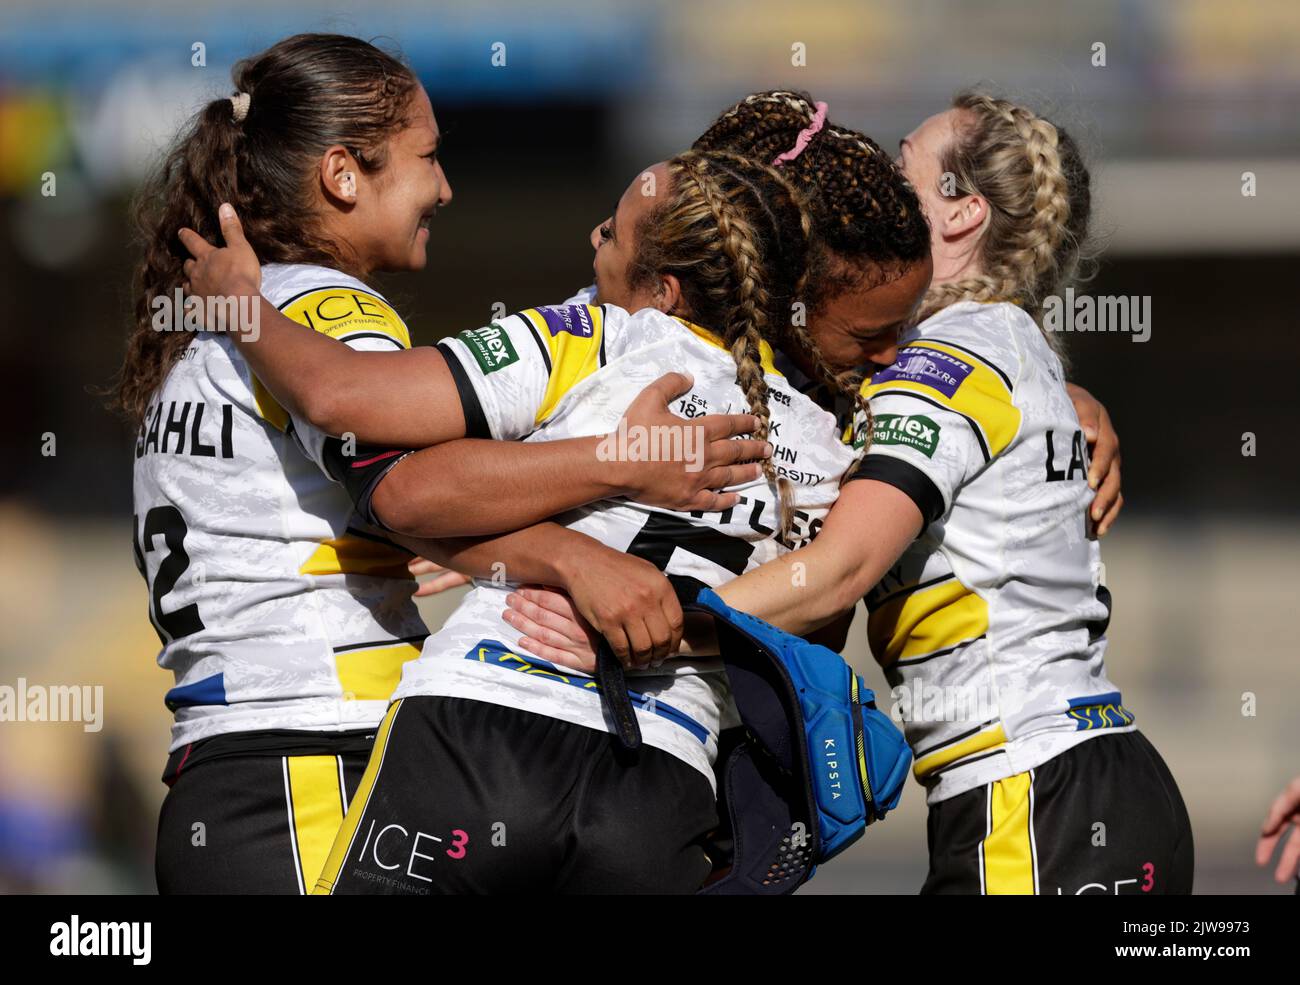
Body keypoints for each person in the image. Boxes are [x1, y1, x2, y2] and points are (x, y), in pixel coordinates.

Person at [503, 91, 1191, 895]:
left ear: (962, 214)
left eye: (903, 172)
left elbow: (835, 572)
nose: (873, 187)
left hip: (1033, 789)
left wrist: (638, 626)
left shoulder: (951, 357)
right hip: (1068, 781)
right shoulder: (989, 347)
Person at [123, 32, 764, 894]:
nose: (445, 188)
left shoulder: (211, 333)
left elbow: (373, 505)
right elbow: (406, 488)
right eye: (427, 158)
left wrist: (475, 545)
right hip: (319, 760)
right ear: (344, 174)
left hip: (222, 772)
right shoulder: (325, 311)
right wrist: (603, 499)